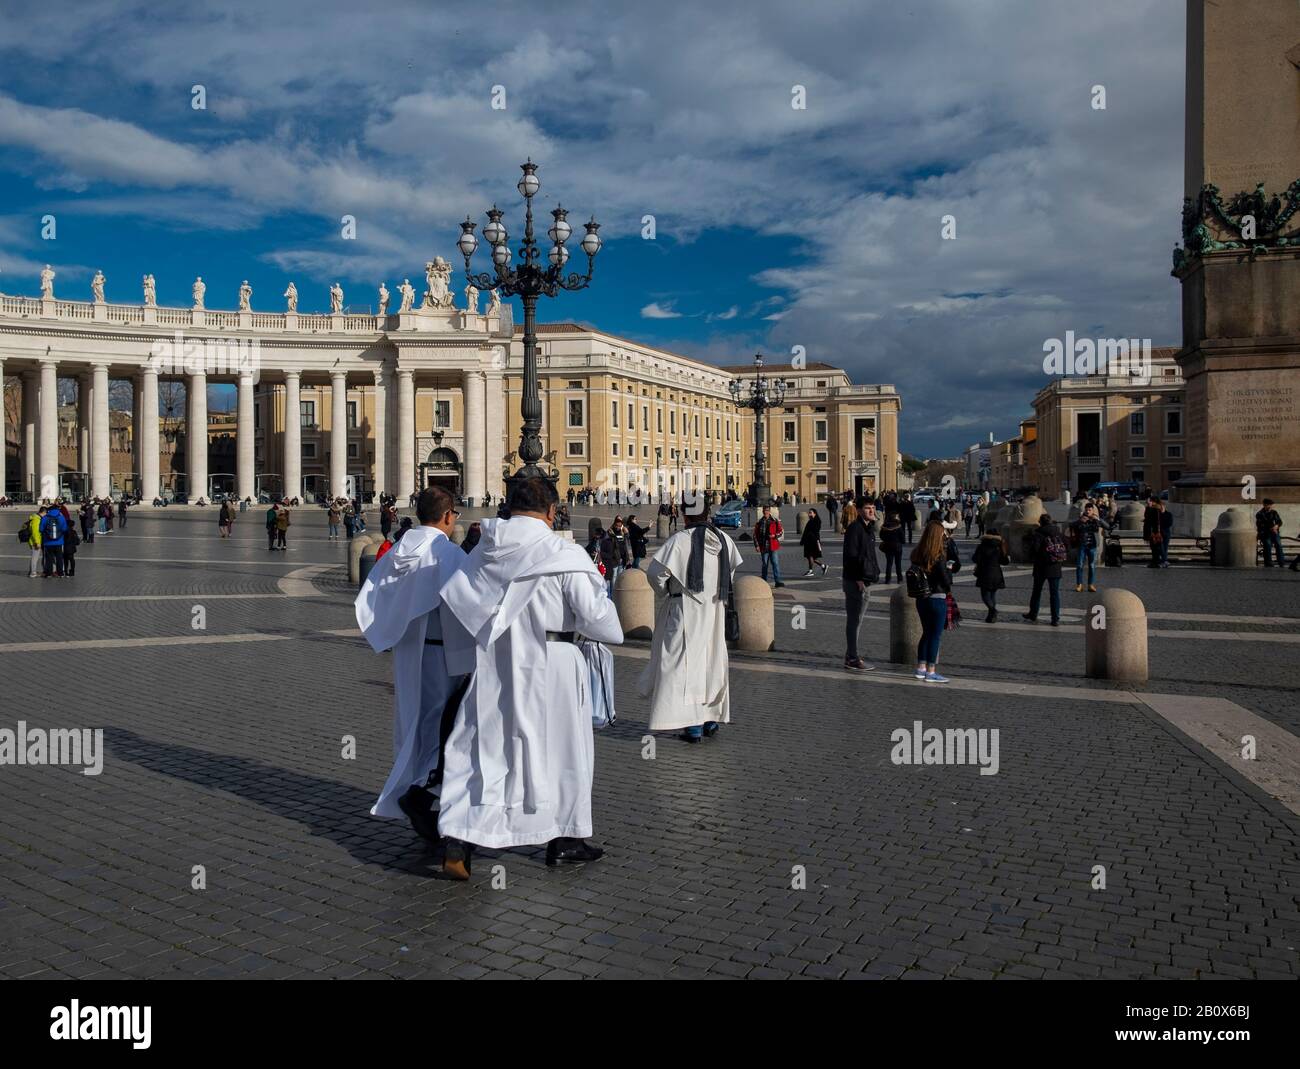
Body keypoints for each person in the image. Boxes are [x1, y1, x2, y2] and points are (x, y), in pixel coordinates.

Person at [435, 477, 624, 879]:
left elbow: (455, 598)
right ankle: (564, 839)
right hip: (554, 661)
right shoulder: (563, 552)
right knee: (565, 750)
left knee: (484, 746)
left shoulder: (484, 550)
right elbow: (599, 619)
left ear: (509, 506)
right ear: (552, 511)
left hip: (495, 660)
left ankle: (460, 836)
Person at [355, 486, 467, 845]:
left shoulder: (396, 551)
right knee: (442, 726)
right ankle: (424, 793)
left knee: (412, 723)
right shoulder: (447, 554)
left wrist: (393, 631)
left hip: (407, 653)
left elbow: (372, 596)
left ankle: (417, 787)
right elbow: (469, 603)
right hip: (442, 654)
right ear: (448, 516)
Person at [640, 501, 742, 743]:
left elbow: (656, 574)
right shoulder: (725, 541)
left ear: (685, 516)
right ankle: (710, 718)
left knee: (680, 665)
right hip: (716, 609)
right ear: (707, 513)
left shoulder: (680, 540)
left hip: (684, 608)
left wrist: (665, 590)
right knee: (711, 663)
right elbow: (731, 573)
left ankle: (691, 724)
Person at [908, 520, 954, 682]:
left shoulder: (918, 553)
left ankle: (920, 668)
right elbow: (946, 581)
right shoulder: (938, 556)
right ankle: (931, 671)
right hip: (937, 599)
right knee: (935, 636)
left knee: (926, 633)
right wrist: (949, 569)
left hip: (922, 598)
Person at [841, 499, 881, 671]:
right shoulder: (855, 529)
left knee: (857, 620)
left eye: (873, 508)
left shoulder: (868, 529)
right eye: (867, 508)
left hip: (865, 579)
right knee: (854, 620)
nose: (871, 511)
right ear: (858, 510)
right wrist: (858, 578)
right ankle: (852, 658)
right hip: (855, 581)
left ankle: (851, 654)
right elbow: (850, 556)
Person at [1022, 513, 1066, 625]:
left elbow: (1035, 550)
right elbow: (1066, 547)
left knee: (1037, 591)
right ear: (1050, 521)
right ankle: (1055, 618)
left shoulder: (1038, 533)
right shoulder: (1058, 532)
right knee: (1054, 594)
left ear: (1040, 522)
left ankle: (1033, 614)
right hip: (1055, 566)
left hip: (1041, 566)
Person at [972, 525, 1010, 622]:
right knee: (992, 595)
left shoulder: (982, 546)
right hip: (997, 573)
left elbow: (975, 559)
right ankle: (991, 617)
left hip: (985, 572)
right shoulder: (1000, 545)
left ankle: (993, 610)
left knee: (985, 595)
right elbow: (1004, 561)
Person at [1071, 502, 1110, 592]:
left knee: (1092, 566)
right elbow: (1072, 525)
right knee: (1079, 565)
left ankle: (1090, 585)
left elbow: (1107, 526)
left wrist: (1098, 519)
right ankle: (1079, 584)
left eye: (1089, 510)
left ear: (1093, 511)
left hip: (1092, 546)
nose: (1088, 511)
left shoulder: (1095, 519)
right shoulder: (1082, 518)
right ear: (1084, 510)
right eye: (1086, 510)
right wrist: (1080, 521)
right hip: (1082, 545)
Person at [598, 516, 632, 595]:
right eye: (617, 525)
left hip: (622, 559)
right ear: (614, 524)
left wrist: (626, 533)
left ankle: (617, 595)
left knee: (619, 579)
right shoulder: (610, 533)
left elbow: (626, 545)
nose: (618, 527)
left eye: (620, 526)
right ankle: (613, 596)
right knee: (613, 578)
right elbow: (608, 545)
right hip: (614, 559)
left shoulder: (622, 533)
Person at [753, 504, 785, 588]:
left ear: (769, 511)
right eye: (764, 511)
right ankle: (764, 580)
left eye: (767, 510)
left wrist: (775, 535)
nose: (765, 512)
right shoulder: (760, 522)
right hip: (764, 546)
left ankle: (777, 581)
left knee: (775, 563)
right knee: (764, 564)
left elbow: (781, 531)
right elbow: (755, 535)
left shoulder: (774, 521)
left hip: (773, 546)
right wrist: (757, 546)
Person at [1143, 496, 1173, 569]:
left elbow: (1166, 523)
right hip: (1157, 532)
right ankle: (1156, 561)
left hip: (1162, 533)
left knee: (1162, 548)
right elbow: (1148, 519)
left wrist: (1162, 513)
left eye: (1149, 501)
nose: (1147, 502)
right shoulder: (1152, 510)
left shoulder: (1163, 513)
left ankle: (1164, 561)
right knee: (1156, 548)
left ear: (1153, 502)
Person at [40, 503, 68, 578]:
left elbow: (41, 529)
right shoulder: (61, 517)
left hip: (48, 542)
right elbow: (65, 529)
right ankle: (60, 573)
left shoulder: (45, 518)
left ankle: (48, 573)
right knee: (59, 558)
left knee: (48, 559)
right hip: (59, 542)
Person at [1256, 499, 1285, 568]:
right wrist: (1271, 528)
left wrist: (1276, 526)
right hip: (1265, 533)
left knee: (1278, 545)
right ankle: (1268, 563)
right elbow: (1260, 525)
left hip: (1274, 532)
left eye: (1271, 505)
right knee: (1268, 545)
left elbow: (1279, 521)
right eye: (1268, 505)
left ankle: (1281, 562)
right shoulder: (1259, 514)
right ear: (1264, 505)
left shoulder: (1274, 512)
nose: (1270, 506)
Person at [879, 511, 905, 583]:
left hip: (888, 546)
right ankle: (899, 579)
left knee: (889, 563)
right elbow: (903, 539)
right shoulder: (898, 526)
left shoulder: (885, 525)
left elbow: (881, 536)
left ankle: (888, 579)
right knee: (898, 563)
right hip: (897, 546)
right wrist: (901, 541)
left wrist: (886, 539)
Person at [800, 508, 827, 576]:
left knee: (810, 556)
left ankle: (810, 571)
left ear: (815, 513)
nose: (809, 514)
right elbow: (805, 531)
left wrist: (809, 536)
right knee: (812, 557)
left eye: (810, 513)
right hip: (808, 541)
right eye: (809, 513)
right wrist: (802, 540)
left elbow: (815, 530)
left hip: (814, 541)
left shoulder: (817, 521)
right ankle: (823, 566)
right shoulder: (810, 521)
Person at [25, 506, 44, 578]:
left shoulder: (35, 518)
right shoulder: (36, 520)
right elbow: (35, 532)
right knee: (35, 557)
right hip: (35, 542)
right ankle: (33, 573)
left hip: (35, 541)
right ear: (43, 512)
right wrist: (37, 542)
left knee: (34, 557)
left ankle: (31, 571)